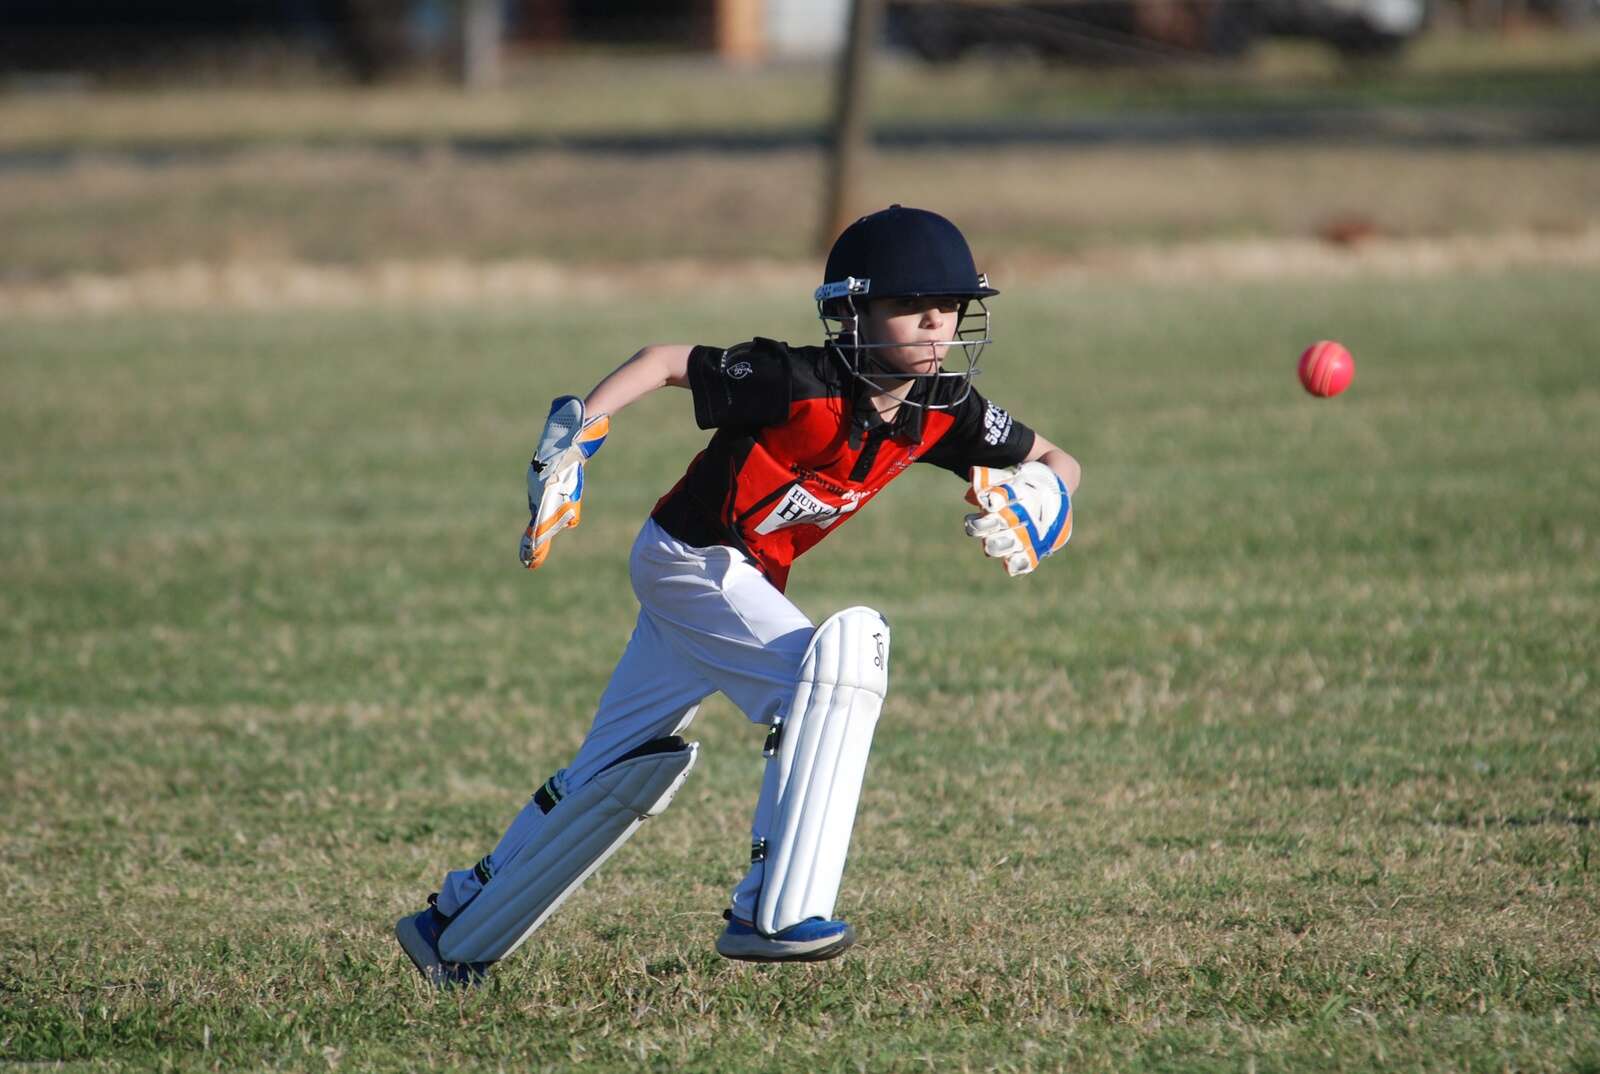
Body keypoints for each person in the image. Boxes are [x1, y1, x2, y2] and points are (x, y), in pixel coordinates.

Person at [396, 205, 1080, 986]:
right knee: (832, 677)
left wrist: (1049, 499)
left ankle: (452, 928)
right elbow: (661, 360)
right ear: (852, 311)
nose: (936, 323)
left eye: (951, 308)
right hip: (691, 560)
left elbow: (1060, 458)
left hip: (734, 584)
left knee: (619, 770)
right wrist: (576, 434)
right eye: (910, 306)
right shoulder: (793, 381)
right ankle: (773, 914)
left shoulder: (942, 409)